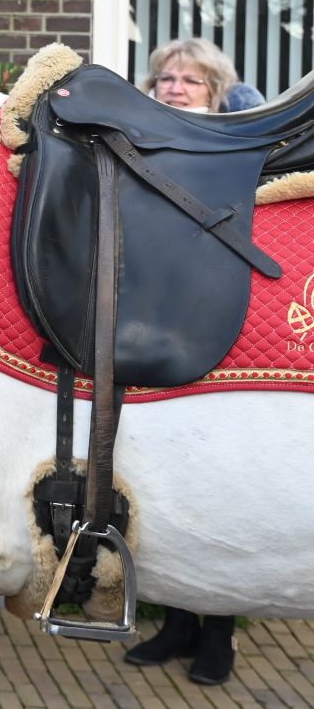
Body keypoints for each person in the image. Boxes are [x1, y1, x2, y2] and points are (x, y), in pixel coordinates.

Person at [122, 36, 248, 686]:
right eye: (165, 78)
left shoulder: (229, 144)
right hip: (153, 320)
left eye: (189, 81)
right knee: (163, 474)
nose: (173, 88)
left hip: (217, 320)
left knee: (216, 475)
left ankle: (217, 634)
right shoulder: (137, 136)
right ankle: (174, 623)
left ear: (215, 91)